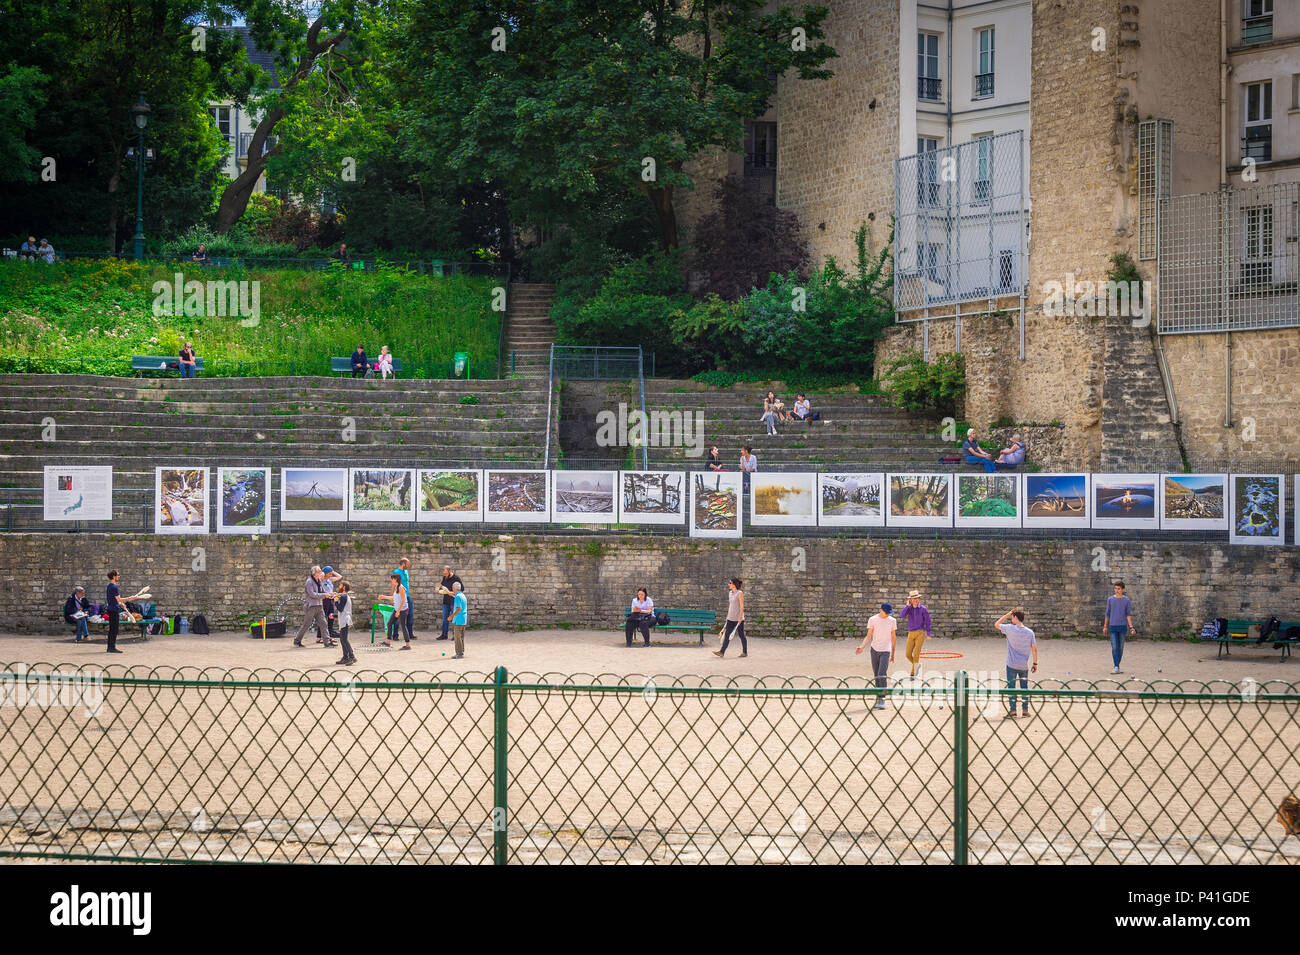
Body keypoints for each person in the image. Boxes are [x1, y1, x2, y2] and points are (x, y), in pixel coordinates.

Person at [995, 608, 1038, 719]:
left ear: (1015, 617)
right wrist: (1035, 663)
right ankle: (1025, 710)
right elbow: (1034, 649)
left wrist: (1007, 614)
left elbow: (997, 624)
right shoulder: (1030, 632)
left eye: (1012, 617)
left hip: (1011, 664)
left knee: (1011, 687)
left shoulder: (1009, 629)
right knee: (1024, 688)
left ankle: (1013, 711)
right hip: (1023, 665)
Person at [855, 603, 897, 711]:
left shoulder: (892, 621)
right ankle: (878, 696)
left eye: (889, 613)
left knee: (881, 674)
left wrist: (892, 654)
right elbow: (869, 635)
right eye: (886, 612)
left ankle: (882, 699)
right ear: (881, 610)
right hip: (874, 650)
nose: (888, 615)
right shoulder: (872, 619)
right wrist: (862, 646)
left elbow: (893, 638)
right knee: (876, 675)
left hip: (886, 651)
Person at [293, 565, 335, 648]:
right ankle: (297, 640)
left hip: (319, 606)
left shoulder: (319, 580)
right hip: (311, 606)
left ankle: (327, 642)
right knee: (306, 624)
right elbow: (312, 594)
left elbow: (323, 591)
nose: (321, 573)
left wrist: (330, 594)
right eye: (319, 571)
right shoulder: (309, 582)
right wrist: (324, 595)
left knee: (323, 623)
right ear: (315, 573)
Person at [1104, 580, 1135, 675]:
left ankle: (1117, 666)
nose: (1117, 590)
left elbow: (1128, 614)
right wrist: (1105, 626)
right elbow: (1107, 613)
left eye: (1119, 589)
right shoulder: (1110, 599)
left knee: (1120, 648)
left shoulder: (1126, 600)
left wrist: (1131, 627)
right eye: (1115, 588)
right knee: (1114, 647)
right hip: (1112, 627)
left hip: (1122, 627)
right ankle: (1116, 666)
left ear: (1123, 589)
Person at [899, 589, 932, 677]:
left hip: (920, 633)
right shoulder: (908, 609)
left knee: (916, 654)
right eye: (913, 598)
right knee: (908, 654)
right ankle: (917, 665)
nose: (915, 600)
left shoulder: (923, 609)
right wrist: (906, 606)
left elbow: (928, 622)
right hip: (911, 633)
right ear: (910, 600)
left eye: (917, 598)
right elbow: (902, 615)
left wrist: (928, 634)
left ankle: (913, 673)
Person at [714, 578, 747, 659]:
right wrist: (727, 616)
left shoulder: (740, 593)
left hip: (738, 619)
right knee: (727, 634)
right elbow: (730, 606)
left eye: (730, 583)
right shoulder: (730, 593)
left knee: (741, 635)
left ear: (734, 584)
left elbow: (742, 605)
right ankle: (722, 652)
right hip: (730, 618)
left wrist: (740, 617)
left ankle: (745, 652)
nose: (728, 584)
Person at [381, 572, 410, 650]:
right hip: (397, 609)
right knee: (389, 623)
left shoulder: (401, 588)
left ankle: (408, 645)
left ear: (396, 579)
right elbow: (394, 598)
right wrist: (383, 597)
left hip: (402, 610)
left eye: (392, 579)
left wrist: (398, 611)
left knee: (403, 626)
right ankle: (388, 642)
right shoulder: (396, 587)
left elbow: (403, 600)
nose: (391, 581)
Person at [334, 580, 356, 666]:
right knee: (342, 639)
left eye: (340, 585)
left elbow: (340, 609)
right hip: (344, 619)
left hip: (345, 620)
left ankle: (352, 656)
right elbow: (343, 611)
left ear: (343, 587)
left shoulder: (343, 597)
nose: (339, 586)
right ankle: (345, 657)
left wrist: (336, 601)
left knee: (344, 639)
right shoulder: (344, 596)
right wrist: (335, 615)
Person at [437, 564, 461, 641]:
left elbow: (461, 589)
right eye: (444, 573)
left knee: (455, 618)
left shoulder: (456, 578)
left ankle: (456, 635)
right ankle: (444, 635)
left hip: (454, 602)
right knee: (445, 619)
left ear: (450, 571)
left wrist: (452, 593)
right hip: (446, 602)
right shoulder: (445, 577)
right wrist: (437, 589)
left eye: (446, 573)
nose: (444, 574)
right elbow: (440, 585)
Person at [320, 565, 341, 643]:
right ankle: (321, 636)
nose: (330, 575)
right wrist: (323, 572)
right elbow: (320, 577)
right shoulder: (322, 580)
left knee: (330, 617)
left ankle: (330, 634)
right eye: (329, 573)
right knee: (323, 618)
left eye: (331, 573)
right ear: (325, 573)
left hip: (331, 600)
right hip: (325, 600)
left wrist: (332, 571)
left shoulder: (330, 579)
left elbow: (339, 577)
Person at [450, 581, 468, 659]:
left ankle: (459, 653)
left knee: (457, 637)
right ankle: (461, 651)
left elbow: (459, 608)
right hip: (463, 619)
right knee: (461, 637)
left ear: (454, 588)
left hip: (458, 619)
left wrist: (451, 616)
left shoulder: (457, 597)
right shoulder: (462, 595)